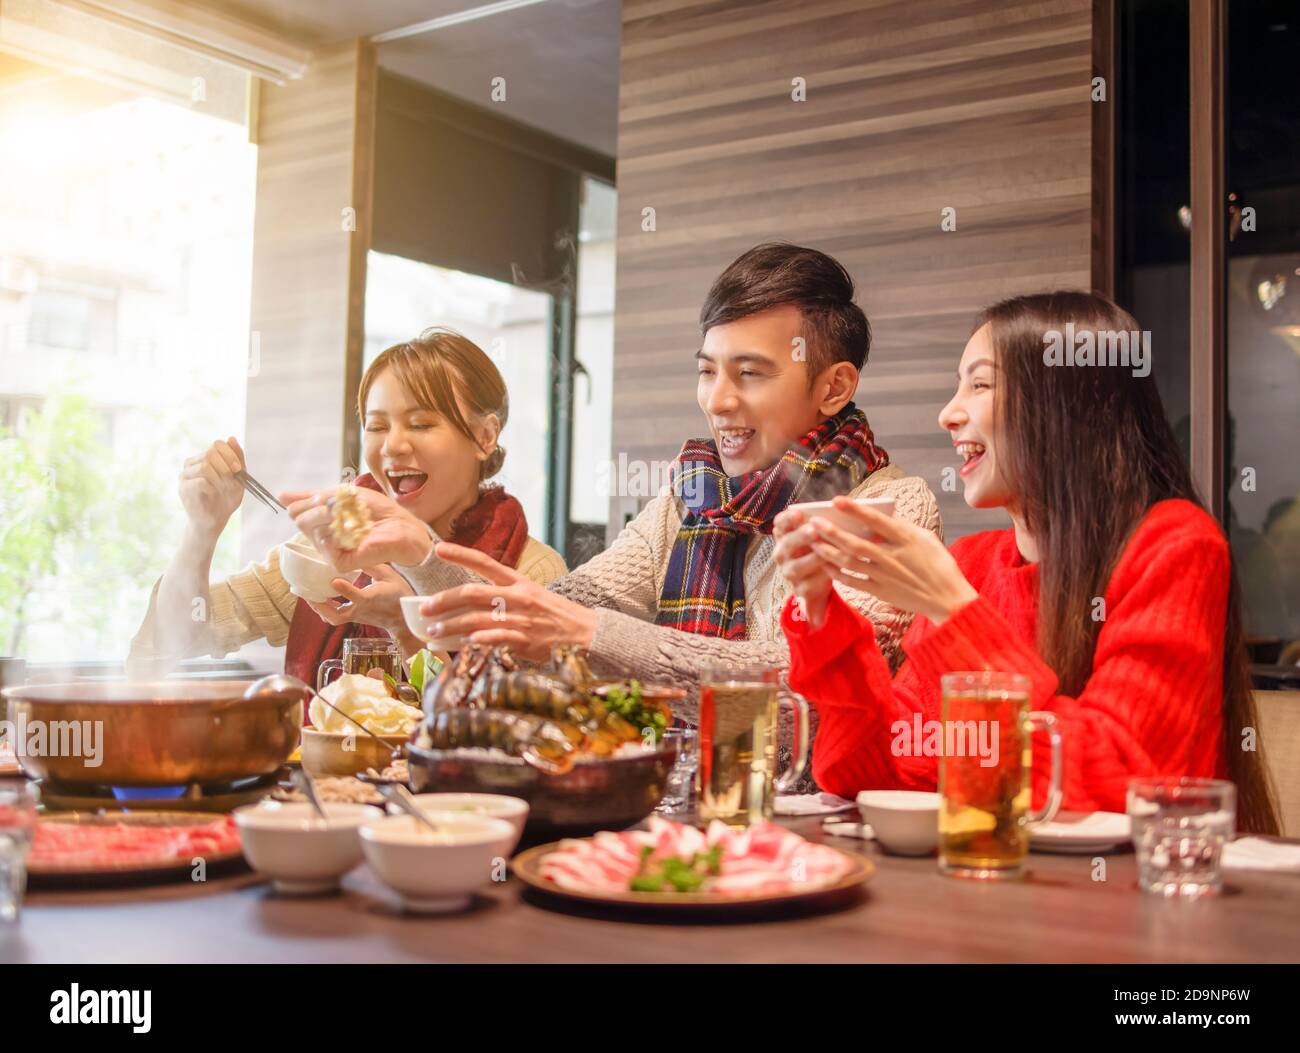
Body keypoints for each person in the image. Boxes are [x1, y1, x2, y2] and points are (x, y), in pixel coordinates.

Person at [284, 244, 942, 725]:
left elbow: (807, 697)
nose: (718, 402)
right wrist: (419, 553)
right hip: (671, 809)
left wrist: (587, 633)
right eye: (708, 371)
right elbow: (546, 621)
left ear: (834, 387)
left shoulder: (892, 507)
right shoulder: (688, 498)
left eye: (750, 374)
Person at [773, 291, 1279, 833]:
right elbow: (875, 773)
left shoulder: (1174, 544)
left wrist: (953, 612)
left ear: (1069, 404)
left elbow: (1124, 784)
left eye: (981, 383)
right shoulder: (971, 564)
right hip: (995, 892)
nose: (949, 412)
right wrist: (822, 615)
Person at [128, 329, 566, 683]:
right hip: (325, 789)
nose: (392, 445)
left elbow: (516, 723)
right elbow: (176, 637)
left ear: (485, 437)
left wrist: (403, 626)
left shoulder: (532, 573)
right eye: (376, 426)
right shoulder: (325, 549)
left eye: (421, 423)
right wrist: (202, 529)